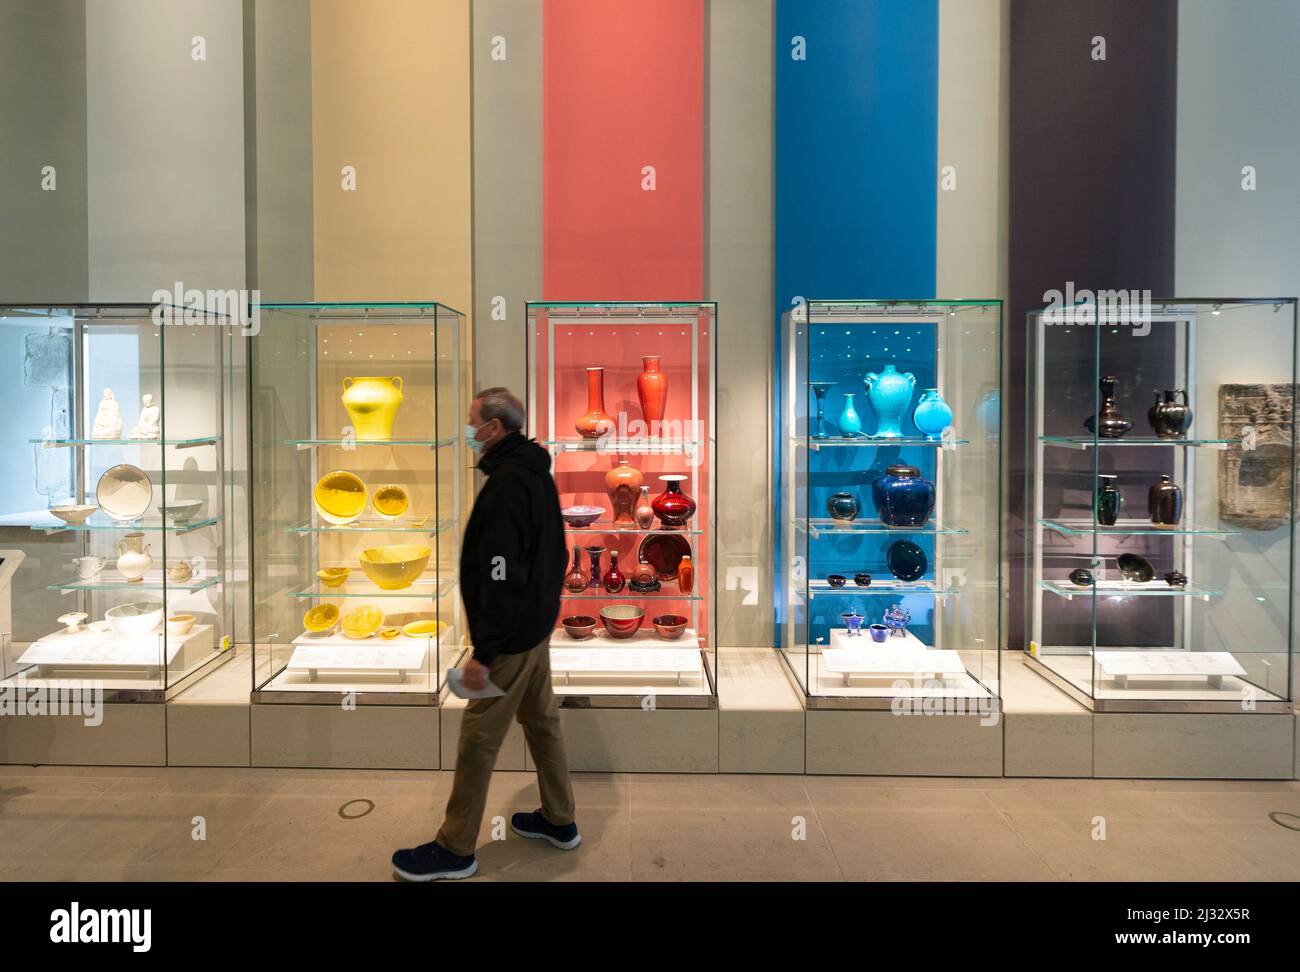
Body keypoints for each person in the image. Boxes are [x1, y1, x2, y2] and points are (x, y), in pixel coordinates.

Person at [392, 387, 578, 881]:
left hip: (511, 637)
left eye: (474, 421)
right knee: (543, 723)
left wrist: (485, 649)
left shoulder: (507, 484)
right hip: (534, 628)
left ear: (494, 427)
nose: (471, 431)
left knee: (478, 739)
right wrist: (543, 612)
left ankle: (455, 849)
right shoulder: (536, 473)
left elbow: (498, 571)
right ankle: (560, 820)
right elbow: (557, 554)